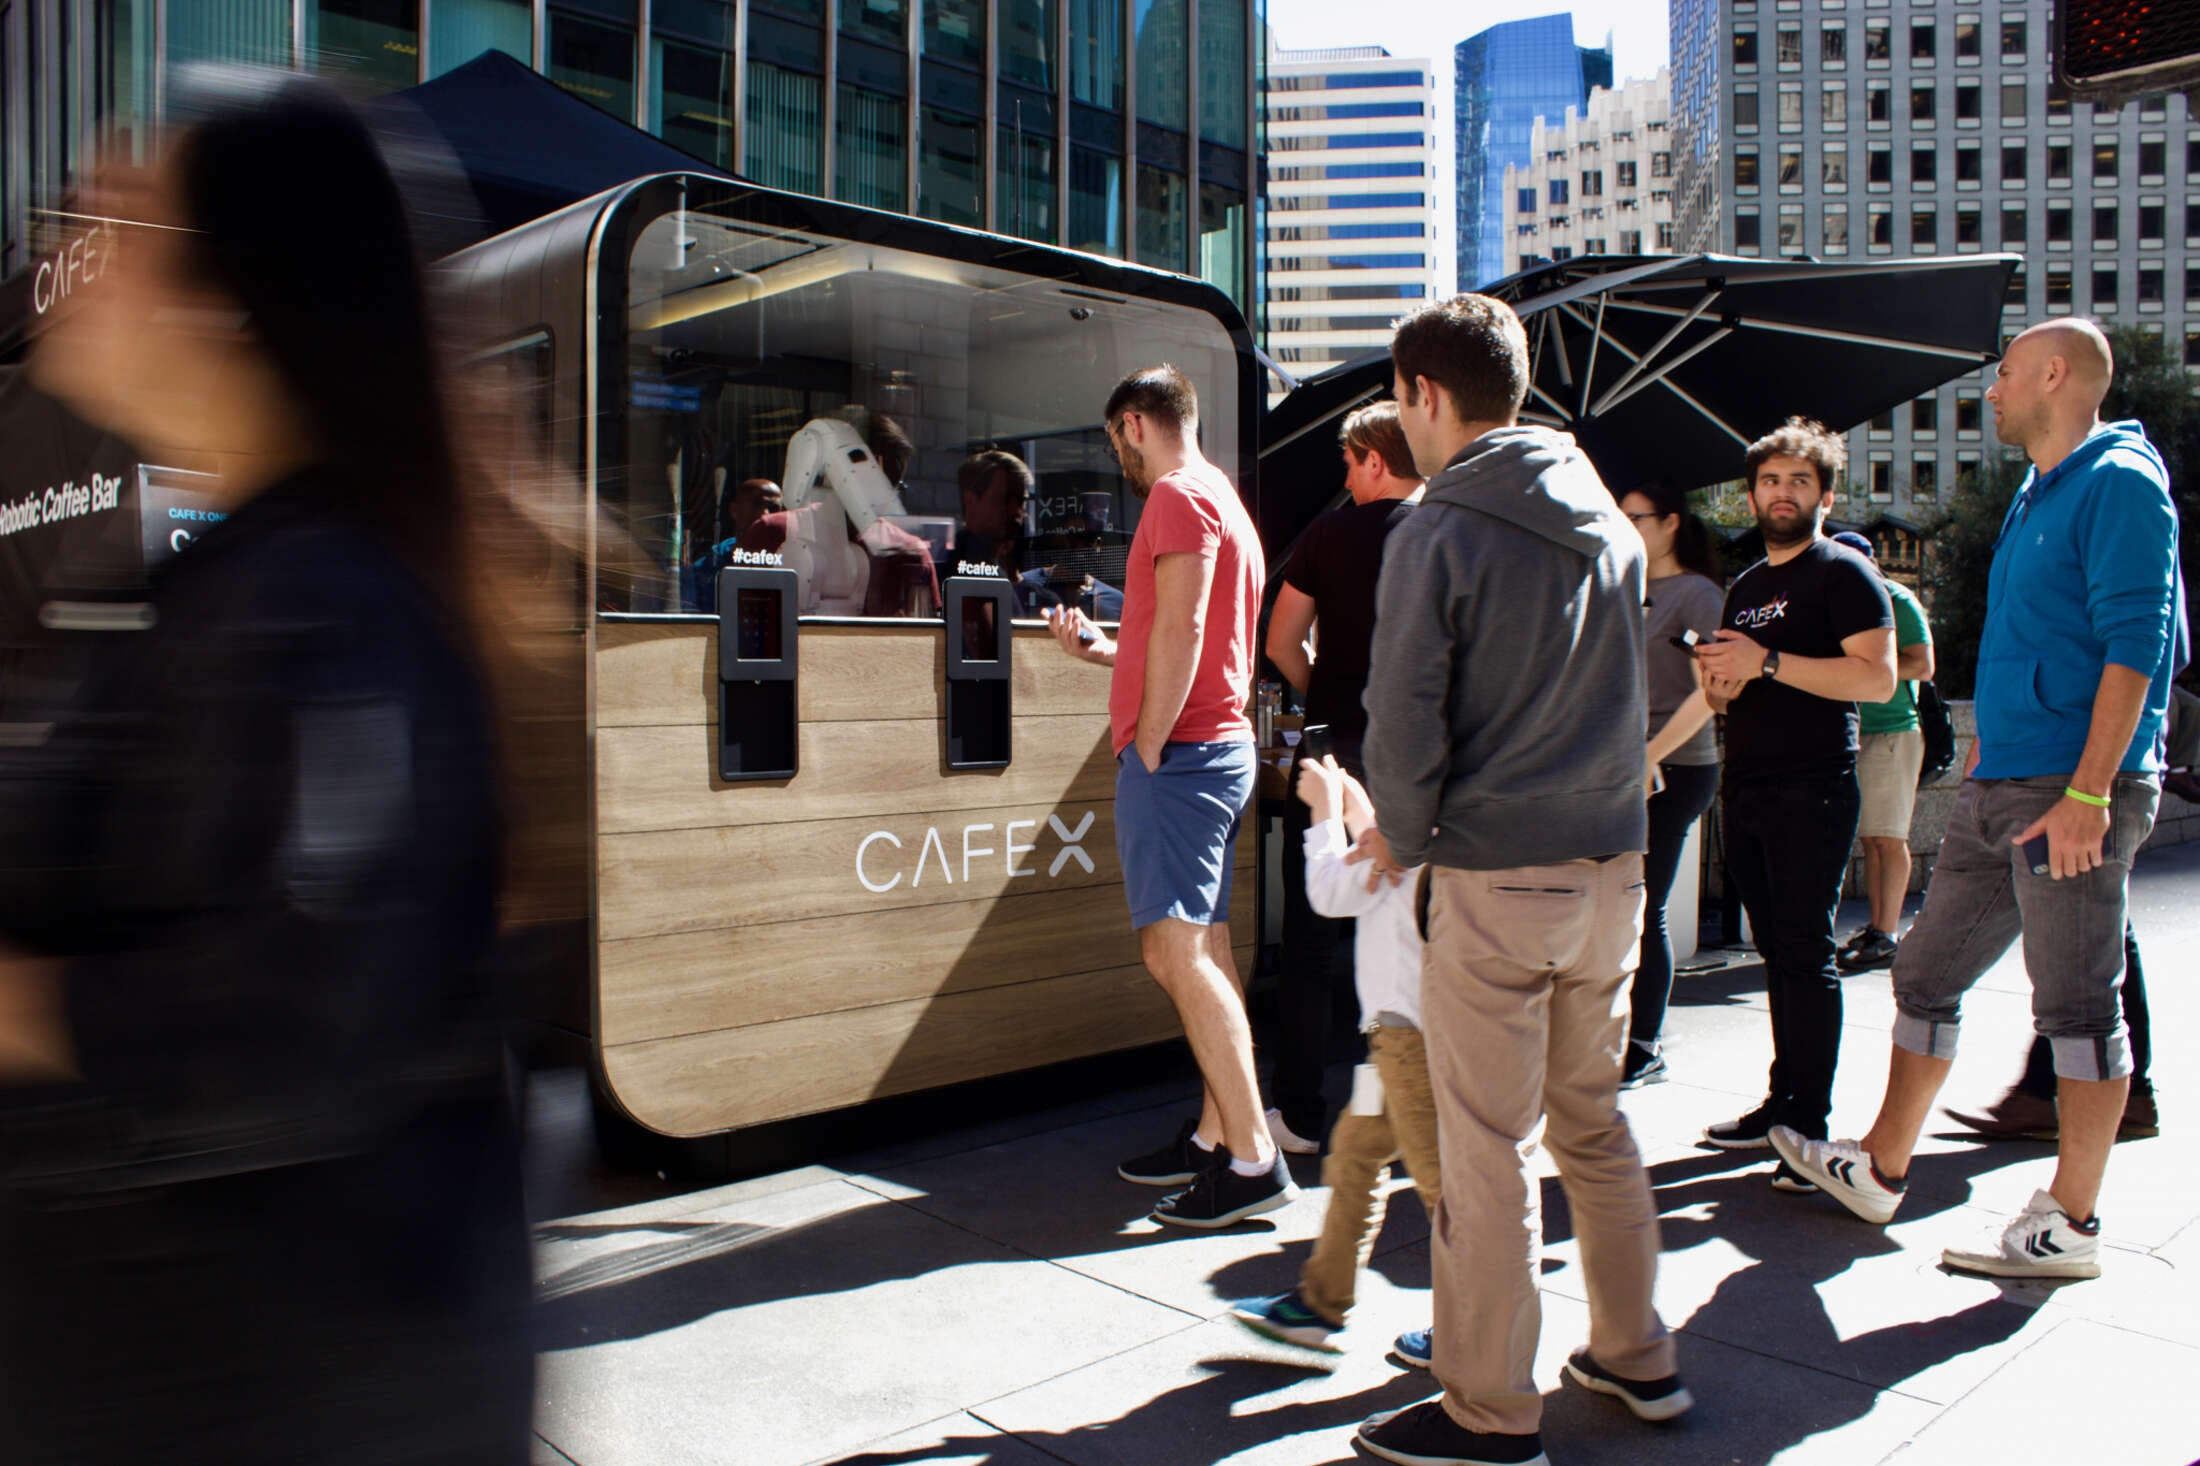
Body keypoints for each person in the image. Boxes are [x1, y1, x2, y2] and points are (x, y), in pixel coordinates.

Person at [0, 73, 532, 1463]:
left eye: (124, 218)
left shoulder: (324, 605)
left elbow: (292, 1019)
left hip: (271, 1384)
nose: (76, 245)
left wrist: (23, 1006)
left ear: (224, 299)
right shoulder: (245, 572)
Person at [1771, 320, 2188, 1282]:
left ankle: (2071, 1224)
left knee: (2079, 1011)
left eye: (2003, 376)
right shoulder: (2039, 493)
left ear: (2053, 374)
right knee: (1923, 976)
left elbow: (2140, 646)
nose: (1991, 391)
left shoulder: (2120, 483)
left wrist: (2091, 790)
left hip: (2071, 790)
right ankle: (1879, 1167)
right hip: (2003, 784)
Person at [1352, 295, 1689, 1466]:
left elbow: (1399, 723)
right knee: (1591, 1118)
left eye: (1400, 399)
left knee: (1485, 1141)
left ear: (1425, 395)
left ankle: (1488, 1409)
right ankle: (1635, 1351)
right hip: (1611, 869)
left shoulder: (1435, 531)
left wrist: (1399, 831)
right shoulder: (1600, 509)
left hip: (1496, 873)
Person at [1044, 365, 1293, 1229]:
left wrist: (1147, 744)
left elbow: (1188, 632)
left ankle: (1253, 1158)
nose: (1121, 459)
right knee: (1209, 951)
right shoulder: (1223, 498)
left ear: (1137, 423)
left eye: (1118, 441)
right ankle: (1216, 1141)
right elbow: (1197, 636)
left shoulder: (1177, 497)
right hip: (1212, 748)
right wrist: (1109, 656)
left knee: (1175, 956)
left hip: (1182, 757)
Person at [1693, 419, 1896, 1188]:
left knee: (1806, 954)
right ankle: (1781, 1107)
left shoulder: (1842, 571)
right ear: (1752, 494)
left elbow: (1876, 680)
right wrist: (1721, 678)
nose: (1783, 493)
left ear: (1825, 494)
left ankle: (1807, 1123)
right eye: (1771, 481)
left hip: (1813, 786)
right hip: (1745, 782)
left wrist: (1767, 660)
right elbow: (1737, 682)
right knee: (1777, 953)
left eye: (1799, 481)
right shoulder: (1746, 585)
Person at [1231, 754, 1436, 1355]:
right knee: (1356, 1154)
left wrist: (1323, 811)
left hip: (1411, 1049)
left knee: (1449, 1192)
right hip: (1395, 1048)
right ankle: (1319, 1303)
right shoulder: (1425, 841)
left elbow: (1328, 892)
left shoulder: (1393, 852)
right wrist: (1357, 811)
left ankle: (1469, 1335)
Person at [1261, 399, 1424, 1153]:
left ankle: (1297, 1112)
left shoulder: (1328, 535)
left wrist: (1326, 685)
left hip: (1332, 753)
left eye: (1350, 464)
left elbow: (1281, 640)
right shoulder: (1440, 532)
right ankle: (1396, 1109)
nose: (1347, 479)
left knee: (1310, 937)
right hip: (1416, 756)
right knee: (1412, 935)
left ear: (1374, 460)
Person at [1947, 683, 2196, 1144]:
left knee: (2084, 955)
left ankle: (2062, 1100)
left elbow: (2142, 657)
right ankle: (2097, 1094)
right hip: (2085, 762)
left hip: (2081, 768)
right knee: (2100, 937)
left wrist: (2090, 789)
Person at [1619, 478, 1726, 1089]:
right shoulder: (1623, 586)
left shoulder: (1696, 595)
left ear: (1671, 523)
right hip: (1626, 767)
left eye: (1638, 517)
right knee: (1622, 903)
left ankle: (1645, 1042)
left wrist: (1648, 757)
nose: (1627, 526)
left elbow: (1711, 693)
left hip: (1677, 767)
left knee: (1646, 903)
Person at [1828, 530, 1936, 974]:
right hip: (1857, 731)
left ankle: (1887, 934)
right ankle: (1877, 930)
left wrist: (1874, 669)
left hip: (1893, 731)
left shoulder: (1897, 598)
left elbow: (1924, 665)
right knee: (1872, 839)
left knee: (1889, 838)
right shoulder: (1837, 603)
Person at [690, 476, 783, 612]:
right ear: (734, 510)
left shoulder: (790, 558)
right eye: (757, 505)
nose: (765, 515)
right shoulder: (709, 567)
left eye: (773, 508)